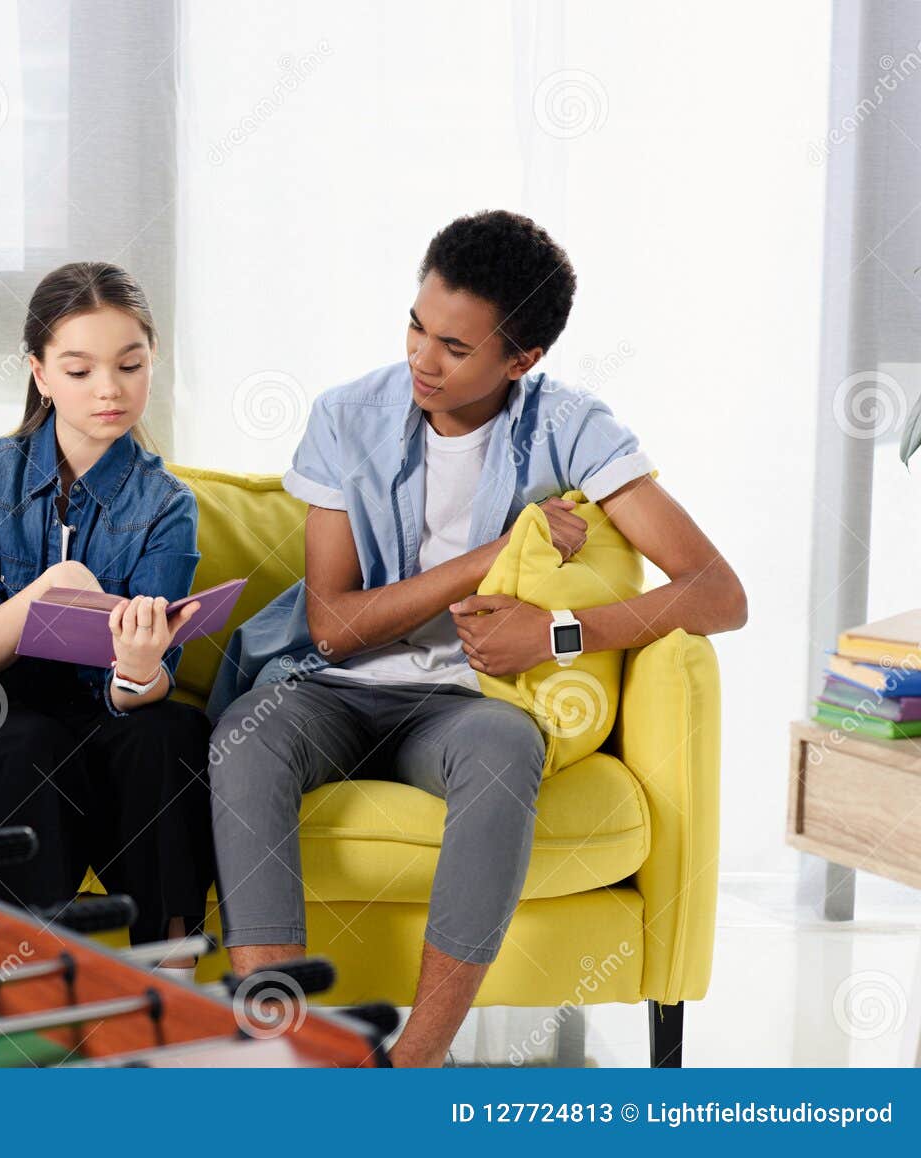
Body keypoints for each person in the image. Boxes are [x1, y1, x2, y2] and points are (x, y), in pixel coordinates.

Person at [207, 210, 748, 1067]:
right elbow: (333, 623)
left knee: (503, 748)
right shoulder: (347, 416)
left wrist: (558, 633)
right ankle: (280, 1058)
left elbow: (719, 593)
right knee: (243, 736)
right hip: (333, 686)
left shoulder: (570, 425)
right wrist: (492, 559)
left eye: (455, 349)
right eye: (417, 328)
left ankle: (412, 1067)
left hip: (468, 703)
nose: (422, 359)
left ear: (520, 360)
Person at [0, 262, 214, 974]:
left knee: (171, 729)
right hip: (8, 718)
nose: (110, 390)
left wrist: (141, 671)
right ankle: (20, 980)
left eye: (130, 364)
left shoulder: (166, 505)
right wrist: (51, 589)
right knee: (15, 734)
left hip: (110, 724)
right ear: (40, 373)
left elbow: (139, 696)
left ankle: (168, 975)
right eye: (80, 369)